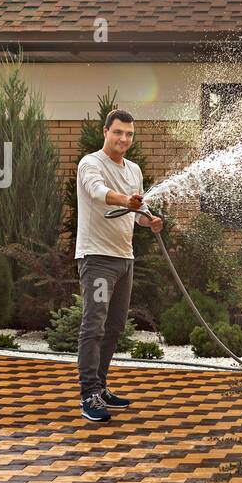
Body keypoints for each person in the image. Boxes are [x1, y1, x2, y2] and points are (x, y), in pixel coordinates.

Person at [73, 109, 162, 421]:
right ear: (106, 131)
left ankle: (101, 386)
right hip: (97, 260)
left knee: (114, 327)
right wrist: (125, 201)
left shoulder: (133, 170)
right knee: (94, 324)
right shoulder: (91, 163)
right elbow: (97, 193)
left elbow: (137, 213)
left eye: (129, 134)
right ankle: (89, 394)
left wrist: (149, 219)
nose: (124, 139)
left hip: (125, 260)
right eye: (118, 132)